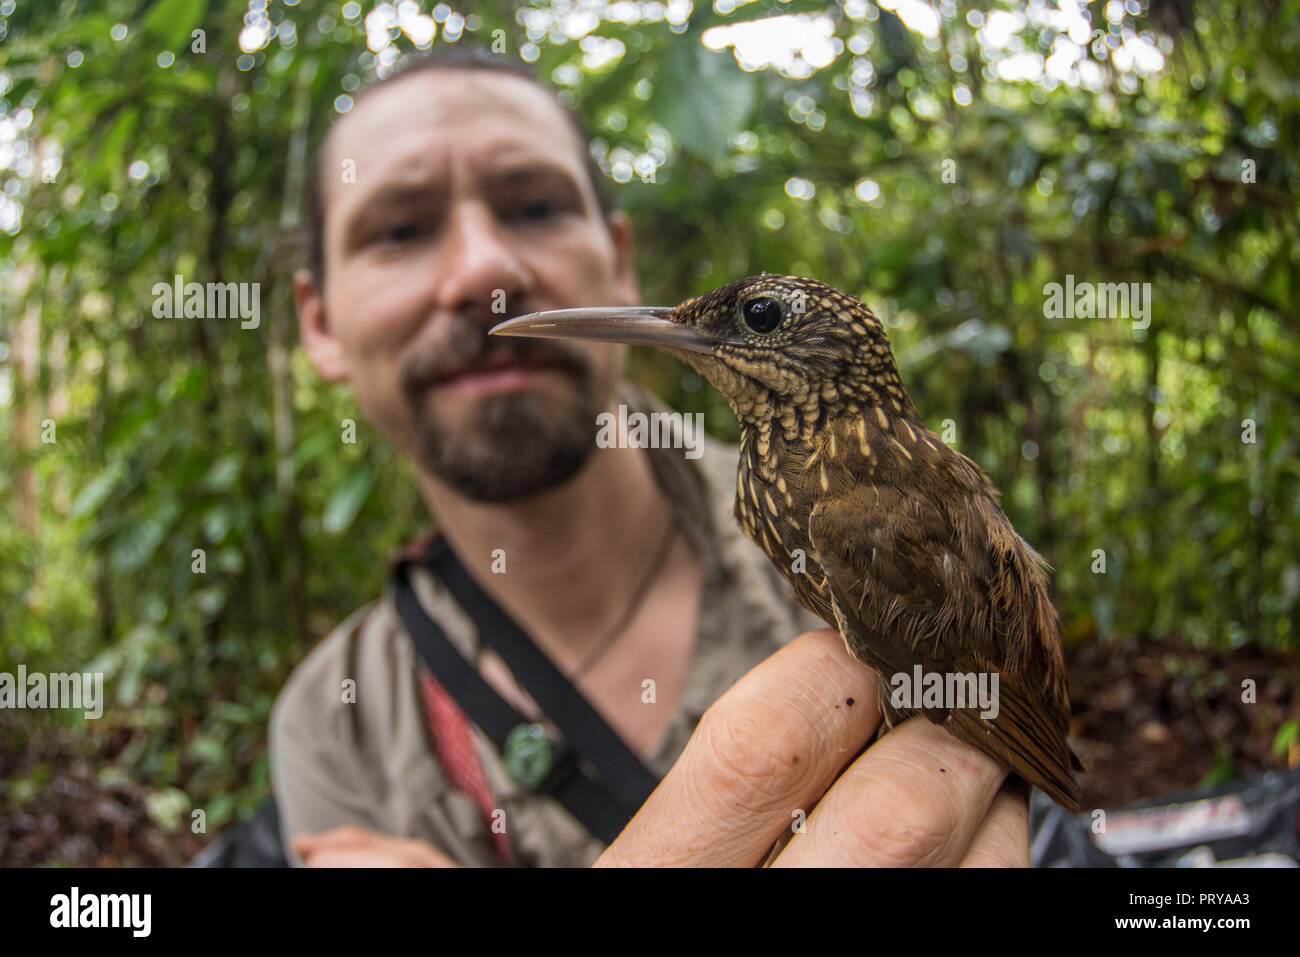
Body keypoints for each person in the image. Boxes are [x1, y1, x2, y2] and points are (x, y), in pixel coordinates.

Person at [273, 46, 1029, 867]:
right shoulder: (335, 725)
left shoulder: (872, 519)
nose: (484, 270)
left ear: (620, 256)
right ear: (318, 323)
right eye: (401, 229)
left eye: (533, 207)